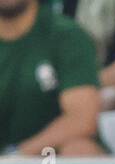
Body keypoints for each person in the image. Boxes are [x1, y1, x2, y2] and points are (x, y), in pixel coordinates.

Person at [0, 0, 103, 155]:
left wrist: (16, 156)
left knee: (79, 149)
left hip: (50, 160)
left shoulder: (67, 36)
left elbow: (81, 119)